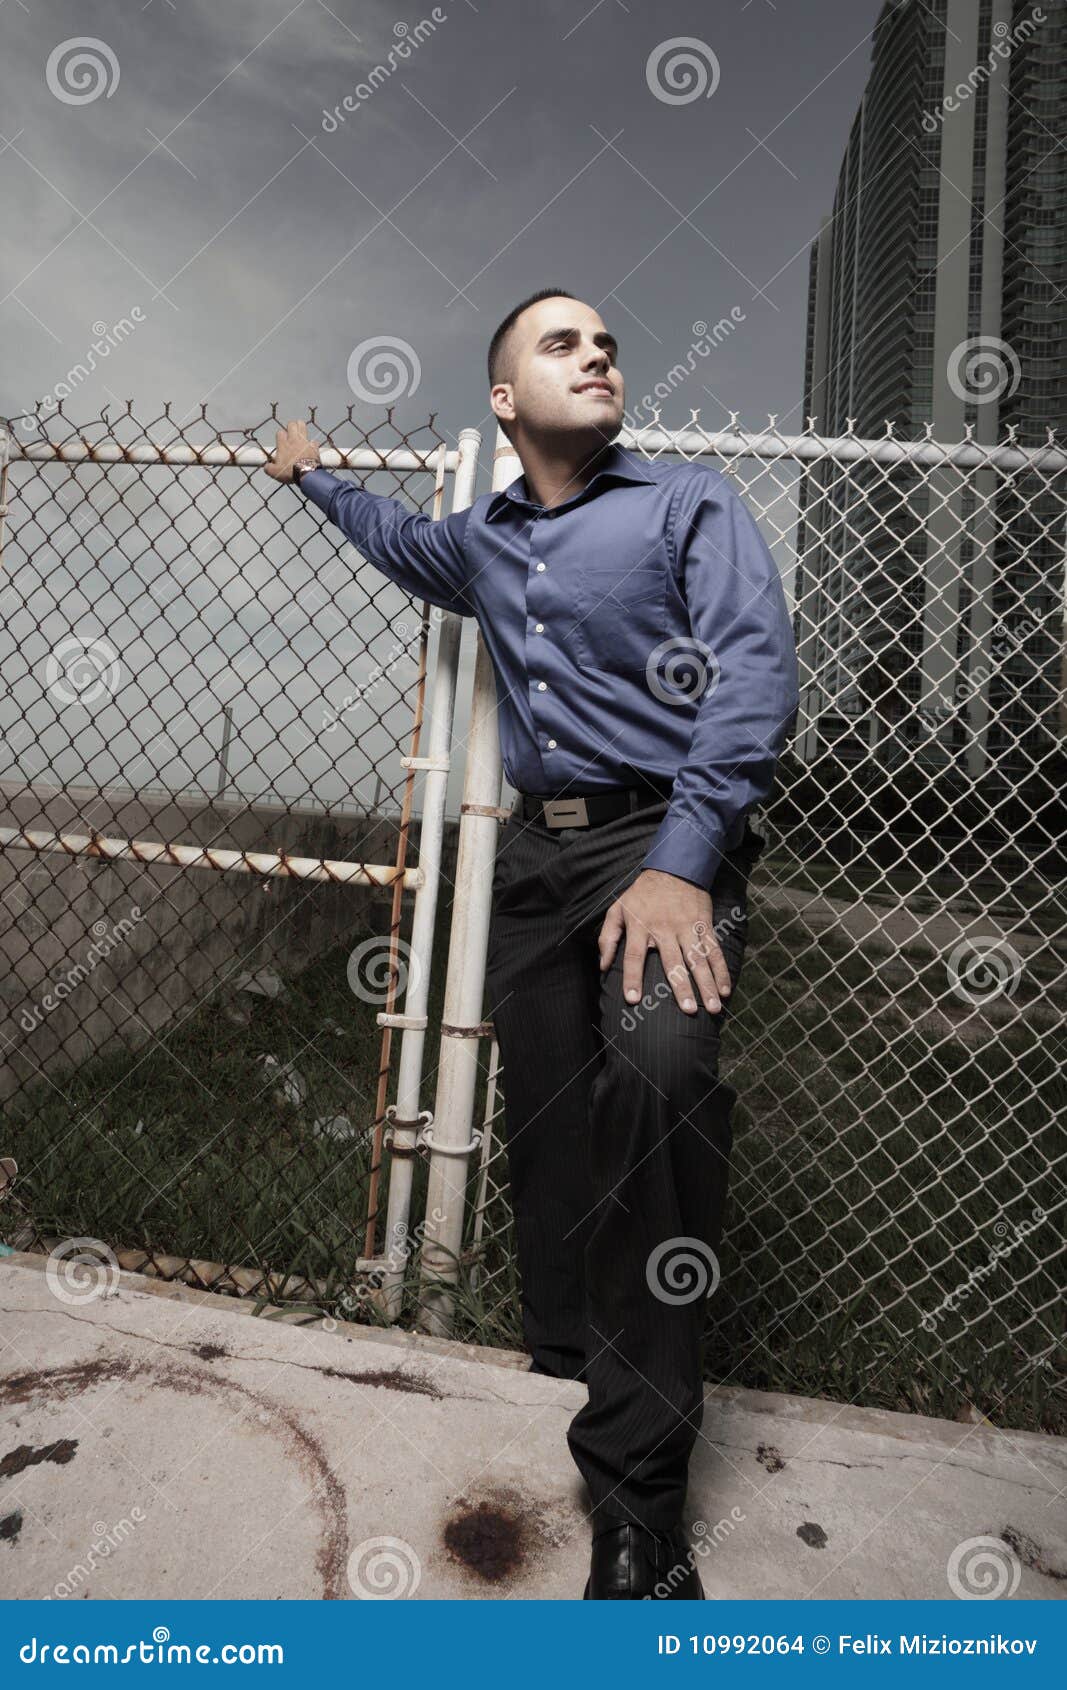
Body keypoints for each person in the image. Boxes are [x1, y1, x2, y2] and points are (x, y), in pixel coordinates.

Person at [266, 289, 799, 1599]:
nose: (599, 349)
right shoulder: (486, 540)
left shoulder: (686, 503)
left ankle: (639, 1506)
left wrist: (681, 863)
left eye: (608, 337)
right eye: (562, 341)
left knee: (660, 1078)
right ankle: (575, 1333)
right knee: (553, 1111)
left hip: (661, 842)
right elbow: (400, 540)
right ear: (505, 402)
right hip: (533, 862)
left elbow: (755, 670)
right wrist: (314, 476)